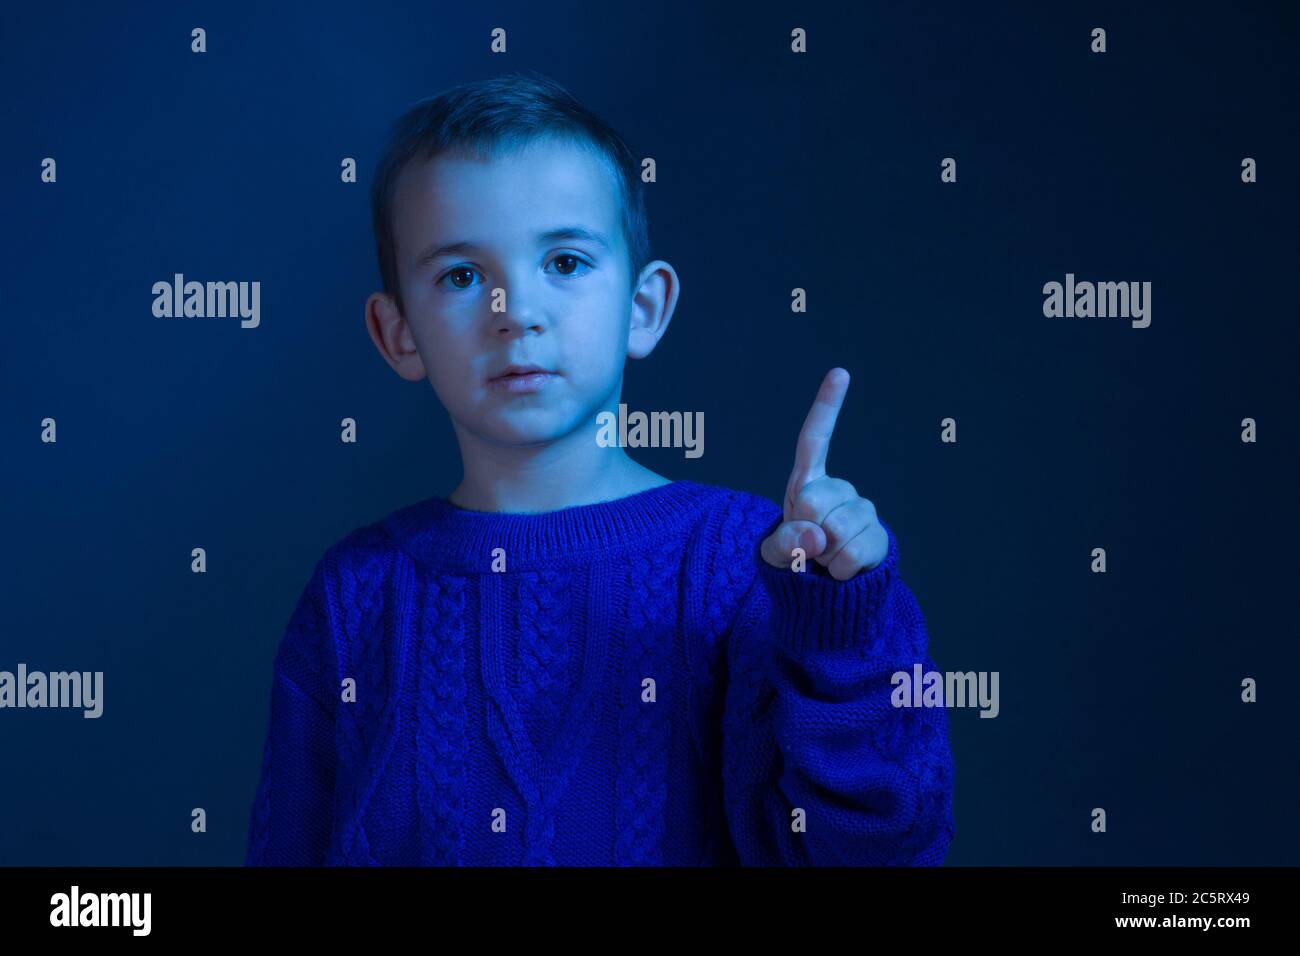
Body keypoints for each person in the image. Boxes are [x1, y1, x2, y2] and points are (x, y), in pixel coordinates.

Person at [244, 71, 954, 866]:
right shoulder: (354, 594)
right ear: (398, 331)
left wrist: (836, 627)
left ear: (643, 308)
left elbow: (876, 852)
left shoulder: (758, 567)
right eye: (461, 276)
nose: (517, 312)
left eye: (567, 262)